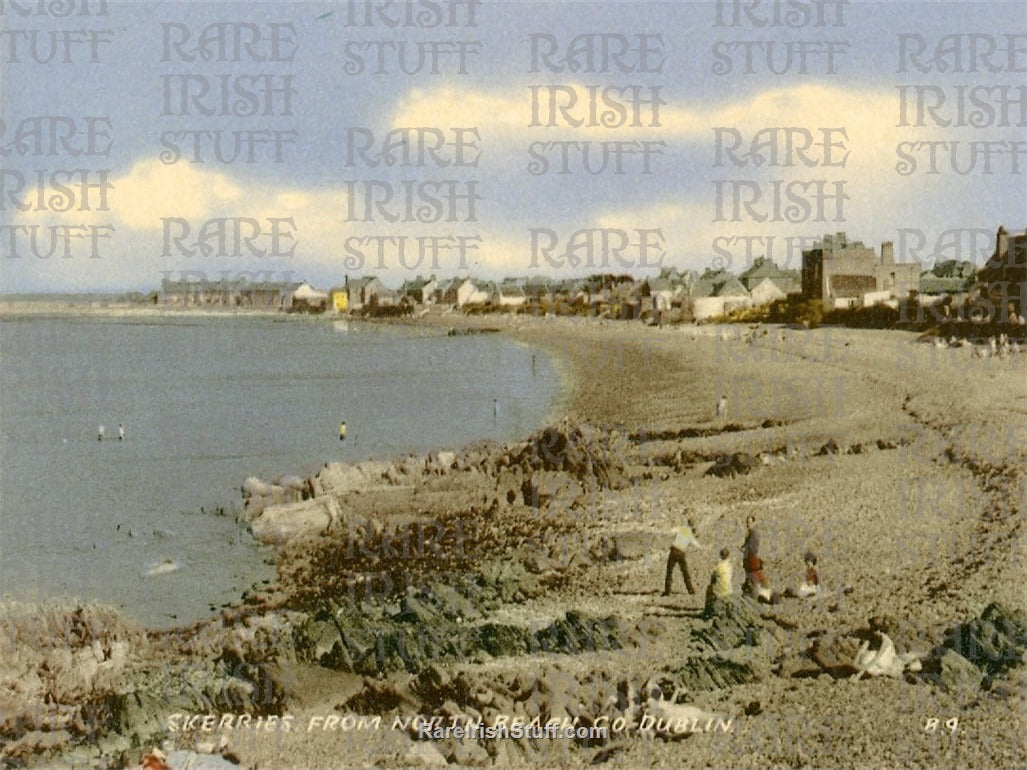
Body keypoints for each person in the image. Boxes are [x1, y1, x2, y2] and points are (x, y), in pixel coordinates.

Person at [663, 518, 702, 596]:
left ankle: (667, 591)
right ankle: (691, 591)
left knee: (669, 571)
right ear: (693, 526)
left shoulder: (681, 528)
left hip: (673, 550)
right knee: (685, 572)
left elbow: (671, 531)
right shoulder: (690, 535)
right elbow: (696, 544)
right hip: (681, 553)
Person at [742, 514, 771, 600]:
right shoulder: (749, 533)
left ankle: (764, 594)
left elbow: (753, 548)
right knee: (751, 577)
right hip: (748, 559)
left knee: (756, 576)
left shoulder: (755, 533)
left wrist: (745, 550)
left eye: (750, 522)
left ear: (754, 522)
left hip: (752, 558)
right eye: (747, 522)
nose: (748, 524)